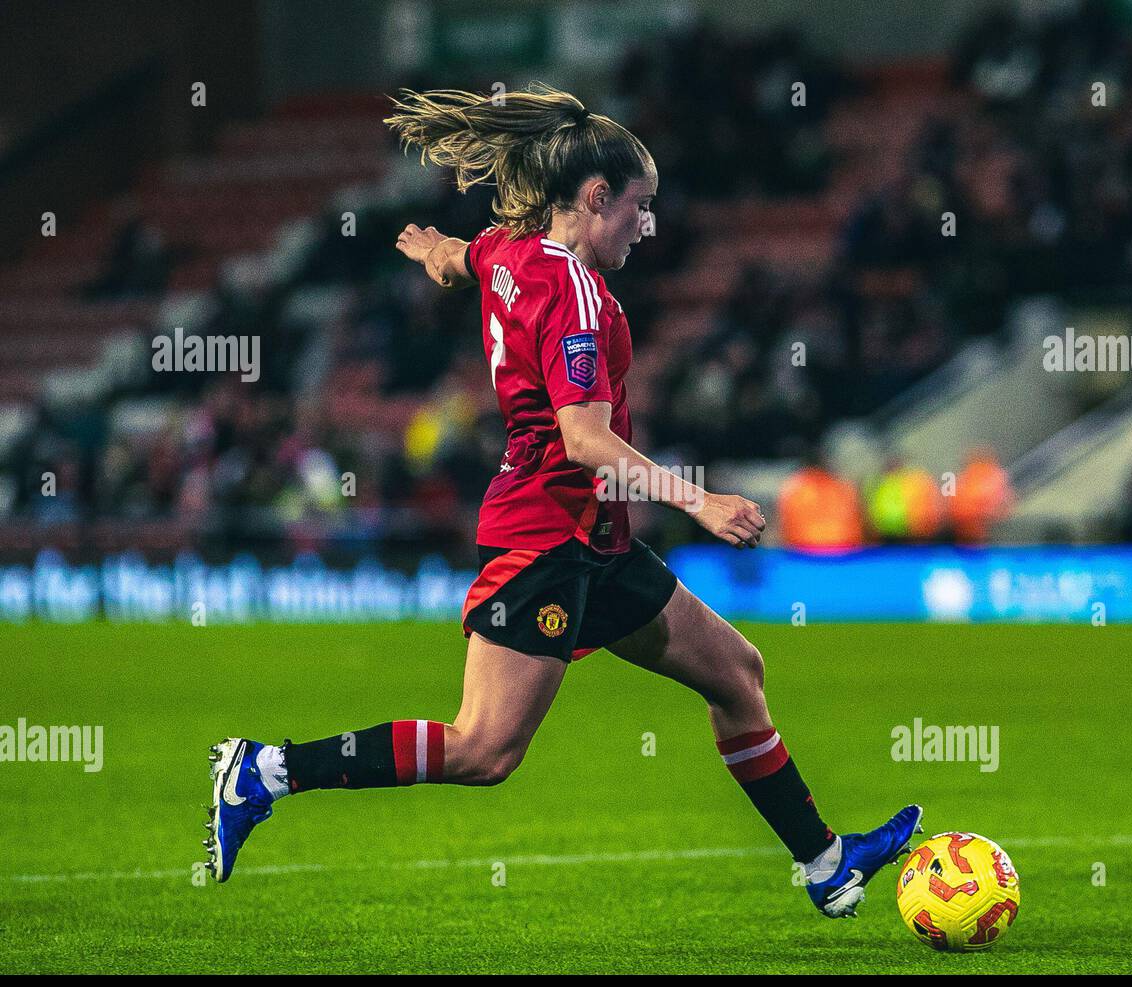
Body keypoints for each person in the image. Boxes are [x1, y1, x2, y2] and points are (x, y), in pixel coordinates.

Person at [204, 84, 920, 918]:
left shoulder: (508, 250)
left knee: (737, 674)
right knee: (484, 749)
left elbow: (460, 262)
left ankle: (827, 864)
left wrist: (436, 249)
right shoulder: (576, 295)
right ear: (595, 197)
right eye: (639, 208)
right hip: (544, 537)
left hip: (596, 544)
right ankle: (264, 771)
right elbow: (583, 440)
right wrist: (701, 502)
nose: (647, 227)